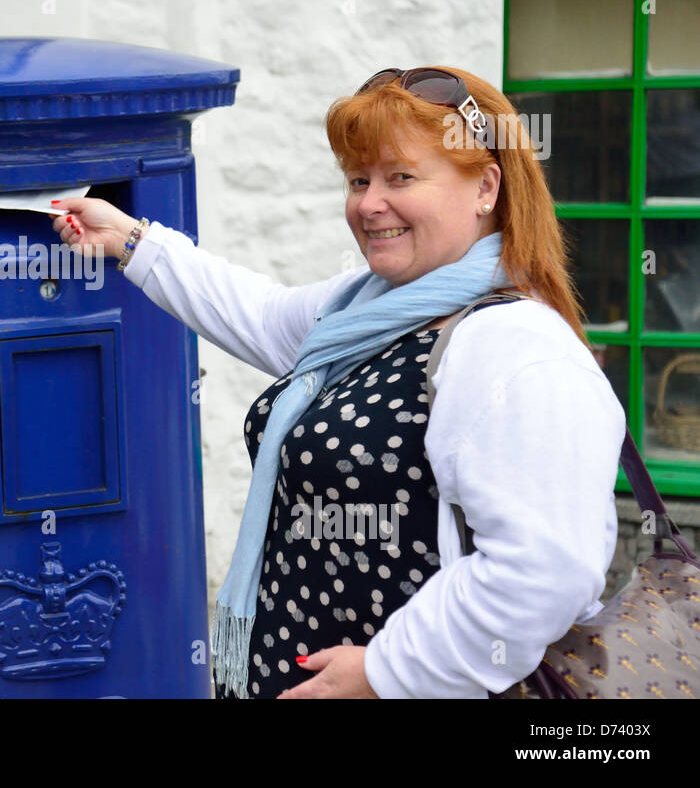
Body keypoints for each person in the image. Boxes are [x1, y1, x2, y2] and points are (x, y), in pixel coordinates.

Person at [48, 67, 624, 699]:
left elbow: (545, 571)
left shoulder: (515, 345)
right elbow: (261, 315)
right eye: (358, 179)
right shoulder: (369, 310)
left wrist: (387, 672)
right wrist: (130, 239)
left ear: (486, 186)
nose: (369, 204)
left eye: (401, 177)